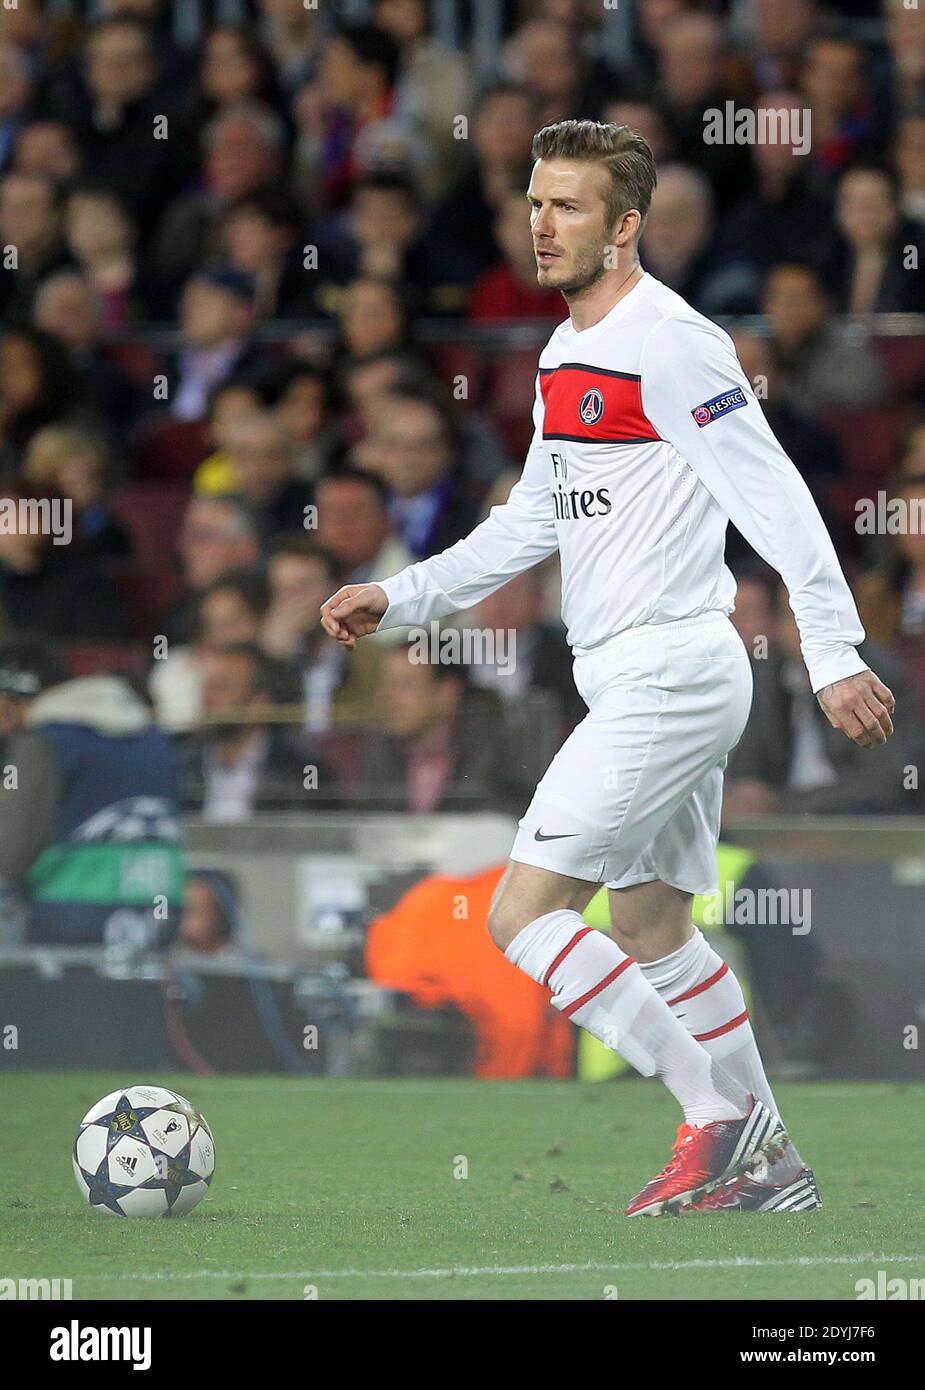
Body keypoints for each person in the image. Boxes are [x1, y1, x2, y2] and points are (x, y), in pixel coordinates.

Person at [322, 119, 897, 1218]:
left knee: (520, 914)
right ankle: (771, 1168)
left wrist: (831, 651)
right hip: (639, 674)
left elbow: (774, 496)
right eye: (535, 202)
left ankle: (711, 1114)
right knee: (648, 927)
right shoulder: (559, 354)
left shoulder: (673, 342)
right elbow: (526, 521)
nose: (542, 224)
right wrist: (401, 595)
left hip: (673, 674)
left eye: (569, 205)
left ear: (624, 224)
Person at [0, 640, 184, 945]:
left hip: (69, 919)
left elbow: (11, 855)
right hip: (158, 917)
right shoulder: (155, 737)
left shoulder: (44, 740)